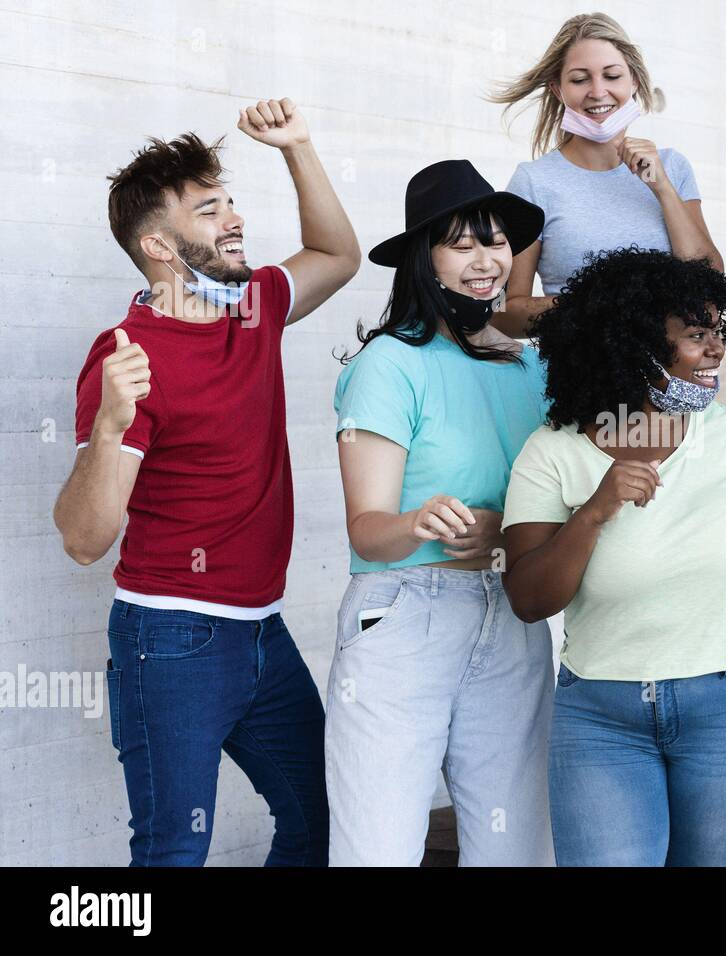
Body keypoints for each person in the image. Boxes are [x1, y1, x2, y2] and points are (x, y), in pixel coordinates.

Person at [54, 99, 360, 865]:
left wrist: (298, 147)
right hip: (172, 636)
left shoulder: (250, 307)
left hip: (264, 629)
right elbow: (85, 539)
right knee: (172, 854)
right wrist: (110, 425)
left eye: (229, 201)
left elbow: (337, 254)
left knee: (320, 820)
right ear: (158, 243)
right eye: (209, 209)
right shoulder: (127, 357)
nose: (234, 220)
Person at [501, 248, 726, 866]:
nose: (718, 351)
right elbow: (529, 597)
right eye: (698, 337)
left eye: (719, 334)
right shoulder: (552, 453)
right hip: (602, 718)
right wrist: (595, 510)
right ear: (634, 346)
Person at [325, 161, 555, 867]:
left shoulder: (530, 369)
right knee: (380, 849)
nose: (487, 260)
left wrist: (509, 536)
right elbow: (366, 528)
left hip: (512, 616)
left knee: (515, 851)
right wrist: (421, 521)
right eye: (462, 243)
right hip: (403, 617)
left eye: (496, 242)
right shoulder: (387, 365)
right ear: (425, 259)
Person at [489, 11, 722, 337]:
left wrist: (662, 189)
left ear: (634, 82)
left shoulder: (673, 167)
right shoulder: (533, 182)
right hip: (579, 380)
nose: (598, 92)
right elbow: (502, 313)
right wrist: (599, 303)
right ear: (558, 90)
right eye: (580, 79)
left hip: (668, 380)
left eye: (612, 76)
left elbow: (709, 283)